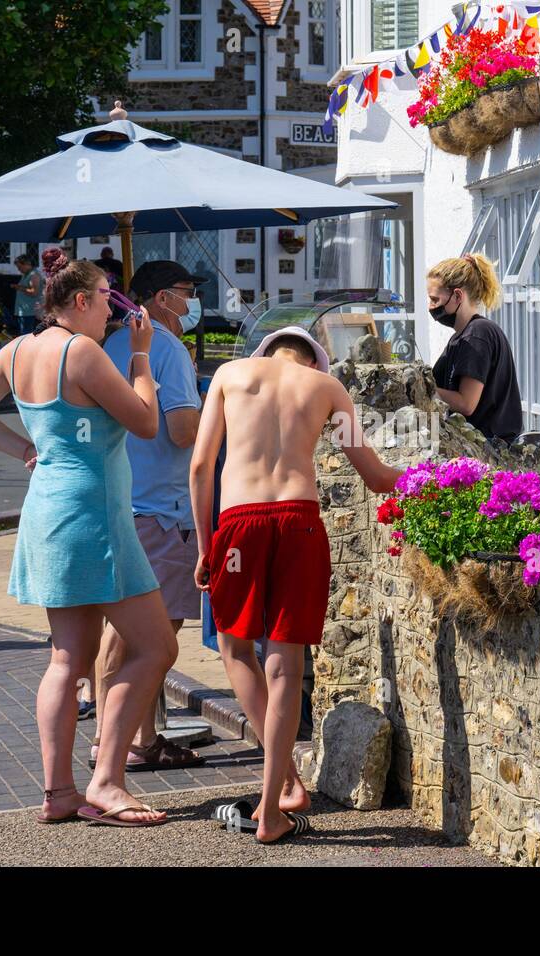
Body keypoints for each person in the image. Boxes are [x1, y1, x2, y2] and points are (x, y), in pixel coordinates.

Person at [0, 248, 174, 827]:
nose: (113, 311)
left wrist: (27, 448)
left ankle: (59, 793)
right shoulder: (82, 352)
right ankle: (107, 780)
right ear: (79, 301)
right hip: (94, 518)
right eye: (107, 298)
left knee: (66, 658)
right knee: (157, 647)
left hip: (48, 512)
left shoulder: (18, 350)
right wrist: (144, 358)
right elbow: (147, 422)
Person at [190, 325, 402, 843]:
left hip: (239, 523)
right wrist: (433, 476)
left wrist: (205, 547)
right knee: (285, 665)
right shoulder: (327, 390)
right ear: (313, 363)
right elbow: (374, 476)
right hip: (301, 522)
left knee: (235, 648)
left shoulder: (229, 374)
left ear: (269, 353)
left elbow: (199, 467)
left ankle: (285, 780)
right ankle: (271, 809)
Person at [93, 259, 210, 772]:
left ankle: (137, 736)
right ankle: (113, 746)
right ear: (163, 298)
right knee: (148, 637)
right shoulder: (165, 349)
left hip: (122, 499)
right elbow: (184, 430)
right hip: (161, 510)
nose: (193, 303)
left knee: (135, 633)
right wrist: (223, 410)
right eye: (187, 293)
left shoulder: (108, 345)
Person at [426, 253, 524, 444]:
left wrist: (424, 391)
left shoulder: (477, 335)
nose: (430, 306)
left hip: (493, 448)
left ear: (457, 296)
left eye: (435, 299)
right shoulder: (462, 337)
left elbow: (466, 404)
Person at [10, 253, 45, 336]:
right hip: (24, 312)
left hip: (30, 312)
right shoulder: (26, 274)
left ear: (27, 264)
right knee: (24, 335)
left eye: (20, 267)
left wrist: (19, 287)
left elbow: (34, 292)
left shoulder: (34, 275)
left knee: (27, 336)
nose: (19, 269)